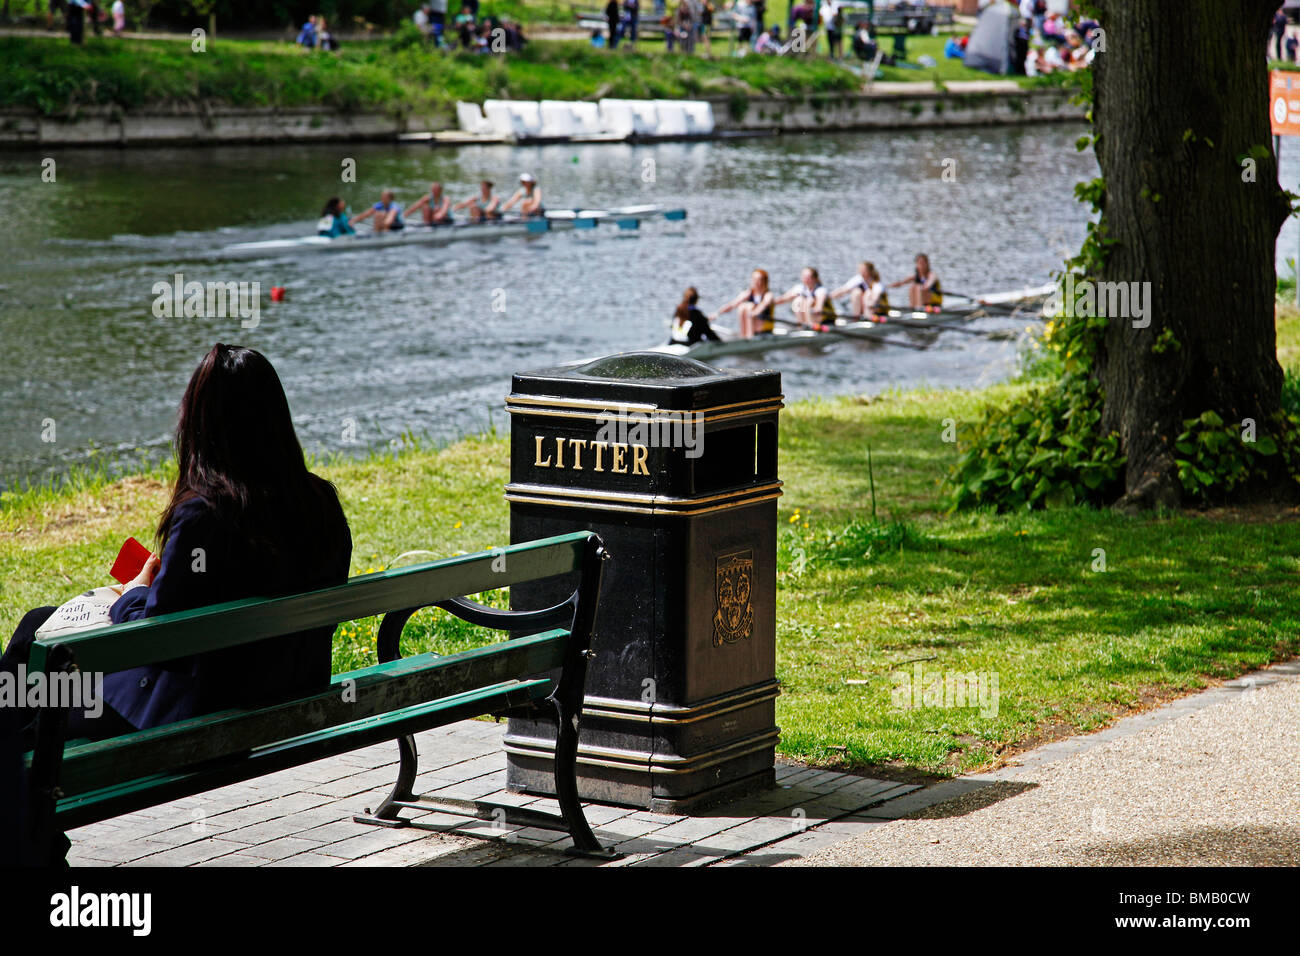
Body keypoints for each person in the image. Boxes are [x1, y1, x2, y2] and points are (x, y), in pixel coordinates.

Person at [0, 344, 352, 751]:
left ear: (200, 422)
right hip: (287, 691)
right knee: (39, 621)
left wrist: (133, 592)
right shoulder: (320, 502)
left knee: (36, 648)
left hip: (197, 712)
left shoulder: (206, 514)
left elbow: (160, 643)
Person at [712, 269, 774, 338]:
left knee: (749, 306)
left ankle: (750, 337)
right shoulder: (749, 293)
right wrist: (717, 313)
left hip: (764, 328)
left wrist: (754, 313)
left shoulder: (768, 295)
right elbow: (732, 304)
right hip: (753, 322)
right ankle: (744, 336)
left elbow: (764, 305)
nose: (757, 282)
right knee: (742, 306)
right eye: (754, 279)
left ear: (765, 282)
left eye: (759, 280)